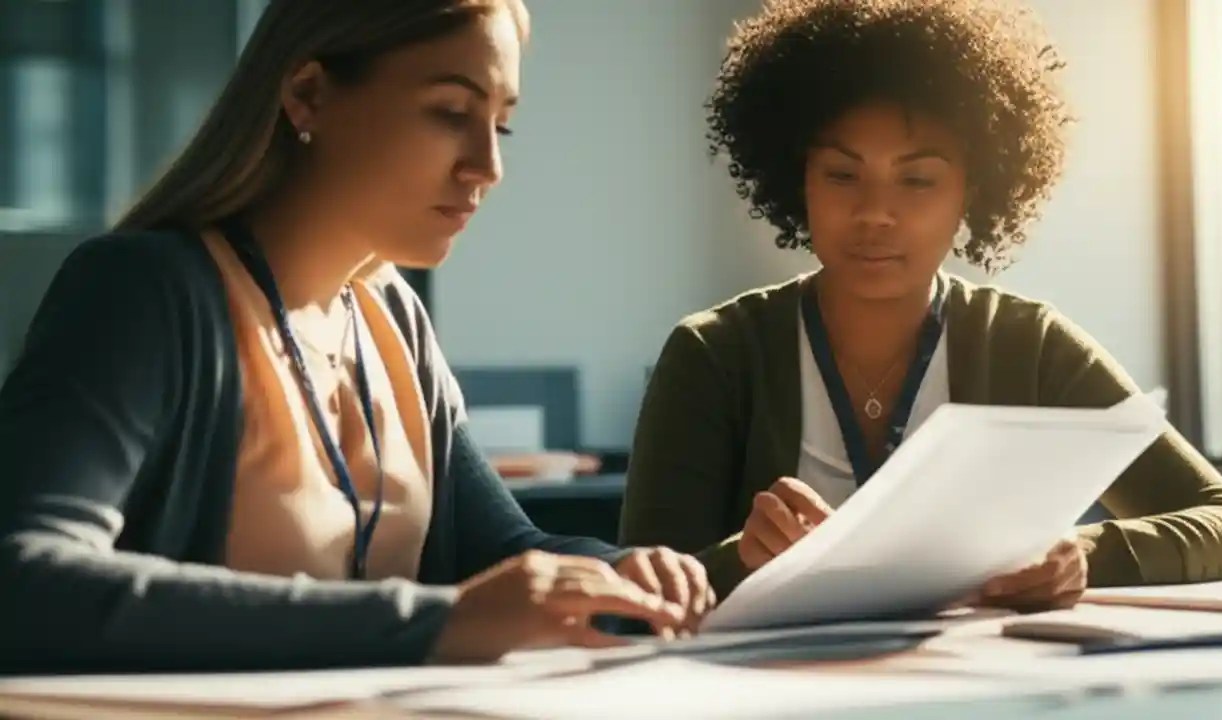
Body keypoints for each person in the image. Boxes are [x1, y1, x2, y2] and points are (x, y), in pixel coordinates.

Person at [0, 0, 713, 674]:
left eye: (500, 126)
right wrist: (436, 623)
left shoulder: (392, 316)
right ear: (308, 95)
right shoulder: (144, 290)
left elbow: (505, 550)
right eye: (450, 112)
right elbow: (23, 579)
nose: (487, 168)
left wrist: (621, 572)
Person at [619, 0, 1222, 610]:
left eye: (918, 180)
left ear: (972, 191)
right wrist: (742, 559)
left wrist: (1078, 555)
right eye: (842, 175)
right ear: (800, 181)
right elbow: (635, 590)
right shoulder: (716, 354)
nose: (875, 213)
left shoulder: (1029, 345)